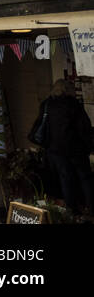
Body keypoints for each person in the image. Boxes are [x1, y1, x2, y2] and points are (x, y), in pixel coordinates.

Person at [30, 79, 94, 217]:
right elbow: (85, 128)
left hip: (56, 150)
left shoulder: (47, 104)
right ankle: (91, 208)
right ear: (67, 90)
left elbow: (42, 125)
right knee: (85, 178)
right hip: (76, 150)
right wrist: (88, 146)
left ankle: (72, 211)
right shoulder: (74, 105)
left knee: (66, 179)